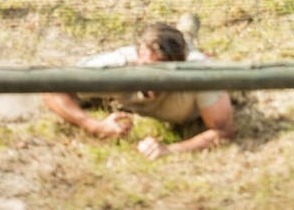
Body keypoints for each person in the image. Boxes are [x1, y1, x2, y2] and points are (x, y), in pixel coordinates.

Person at [42, 20, 234, 159]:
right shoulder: (118, 65)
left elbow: (223, 131)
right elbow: (51, 87)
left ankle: (187, 31)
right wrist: (95, 126)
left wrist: (170, 150)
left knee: (188, 45)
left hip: (191, 61)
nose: (149, 77)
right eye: (145, 67)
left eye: (159, 71)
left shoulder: (200, 75)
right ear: (138, 58)